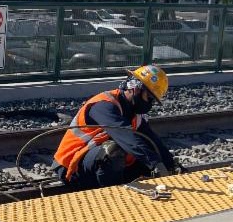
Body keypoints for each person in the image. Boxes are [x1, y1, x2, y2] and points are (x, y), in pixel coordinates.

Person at [51, 64, 183, 190]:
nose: (150, 103)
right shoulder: (104, 105)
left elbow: (153, 141)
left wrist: (170, 165)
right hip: (72, 167)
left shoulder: (135, 115)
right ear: (136, 88)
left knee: (148, 155)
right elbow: (127, 137)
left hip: (94, 164)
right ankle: (112, 198)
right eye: (149, 97)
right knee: (113, 150)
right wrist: (155, 163)